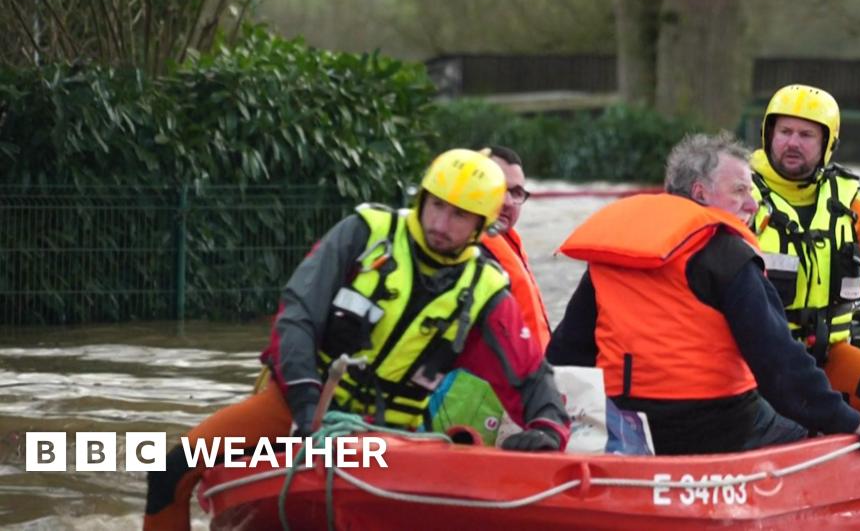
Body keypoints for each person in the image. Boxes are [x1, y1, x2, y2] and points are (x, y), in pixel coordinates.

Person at [144, 149, 570, 531]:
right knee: (171, 470)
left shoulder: (486, 289)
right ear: (422, 200)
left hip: (394, 433)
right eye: (436, 206)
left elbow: (530, 374)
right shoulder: (363, 234)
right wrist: (308, 403)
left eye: (458, 215)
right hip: (297, 406)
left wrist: (548, 429)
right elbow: (297, 317)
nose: (441, 224)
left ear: (480, 224)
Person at [546, 133, 860, 456]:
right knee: (802, 427)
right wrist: (847, 420)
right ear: (700, 193)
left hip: (628, 419)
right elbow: (778, 361)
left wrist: (542, 414)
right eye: (739, 190)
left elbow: (565, 351)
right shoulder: (727, 255)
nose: (752, 205)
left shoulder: (617, 250)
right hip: (716, 424)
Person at [750, 84, 860, 424]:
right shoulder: (740, 198)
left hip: (826, 353)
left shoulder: (850, 203)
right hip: (756, 359)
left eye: (807, 135)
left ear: (828, 145)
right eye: (785, 131)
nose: (793, 142)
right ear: (769, 135)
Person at [479, 146, 552, 349]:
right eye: (498, 188)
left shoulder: (507, 243)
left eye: (517, 192)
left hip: (531, 373)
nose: (508, 201)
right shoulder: (462, 253)